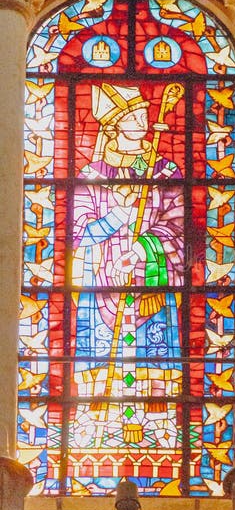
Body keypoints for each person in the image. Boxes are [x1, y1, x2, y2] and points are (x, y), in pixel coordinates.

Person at [71, 82, 183, 446]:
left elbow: (175, 223)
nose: (143, 121)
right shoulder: (93, 175)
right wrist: (118, 216)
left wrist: (142, 250)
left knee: (155, 350)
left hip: (150, 275)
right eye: (133, 116)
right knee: (101, 351)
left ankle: (157, 420)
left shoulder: (164, 171)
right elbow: (80, 231)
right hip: (102, 277)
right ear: (115, 124)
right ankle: (96, 420)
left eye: (143, 115)